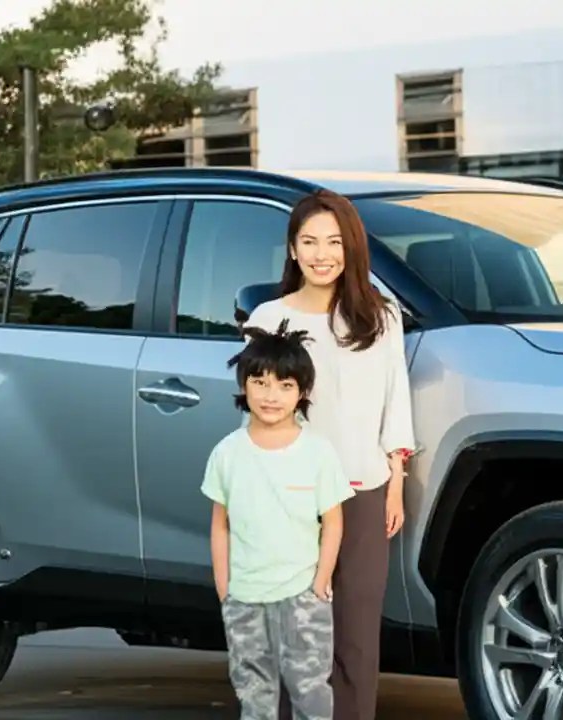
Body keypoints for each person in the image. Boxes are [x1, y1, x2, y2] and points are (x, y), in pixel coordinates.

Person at [243, 189, 416, 720]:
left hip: (363, 491)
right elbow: (257, 410)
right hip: (290, 496)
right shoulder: (268, 318)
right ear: (292, 250)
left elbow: (395, 401)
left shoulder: (380, 318)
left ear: (351, 248)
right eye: (310, 242)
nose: (323, 254)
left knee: (357, 637)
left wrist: (396, 482)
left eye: (334, 242)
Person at [202, 319, 355, 720]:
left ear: (302, 392)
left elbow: (333, 521)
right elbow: (221, 523)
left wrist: (320, 583)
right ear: (244, 385)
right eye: (261, 383)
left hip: (302, 595)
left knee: (310, 691)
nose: (271, 396)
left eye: (285, 386)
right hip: (244, 597)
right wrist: (225, 588)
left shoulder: (318, 452)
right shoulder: (227, 453)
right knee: (254, 692)